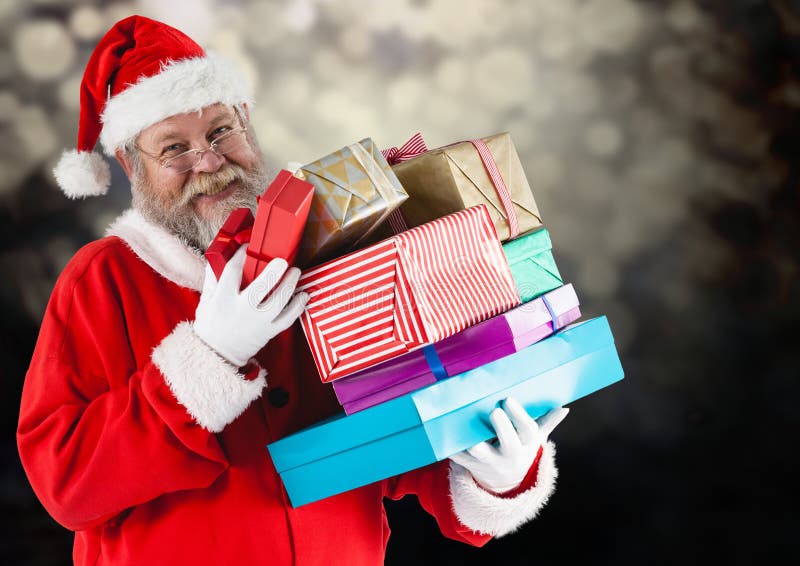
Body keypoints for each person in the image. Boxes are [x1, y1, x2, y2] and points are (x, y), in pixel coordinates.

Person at [17, 15, 568, 565]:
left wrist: (495, 470)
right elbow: (67, 485)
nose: (209, 163)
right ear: (130, 166)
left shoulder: (330, 255)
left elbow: (400, 435)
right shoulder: (102, 279)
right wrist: (207, 360)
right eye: (174, 149)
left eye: (220, 131)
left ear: (247, 123)